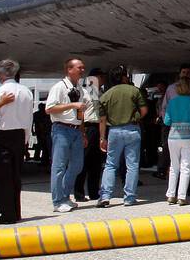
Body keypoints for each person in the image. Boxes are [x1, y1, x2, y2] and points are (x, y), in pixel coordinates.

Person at [0, 59, 35, 224]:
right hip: (19, 135)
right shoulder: (27, 92)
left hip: (2, 136)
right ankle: (16, 211)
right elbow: (29, 118)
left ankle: (7, 213)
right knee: (15, 176)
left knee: (2, 177)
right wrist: (26, 138)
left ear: (0, 74)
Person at [97, 66, 148, 207]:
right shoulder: (134, 90)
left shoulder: (106, 95)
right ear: (124, 77)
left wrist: (102, 138)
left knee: (111, 164)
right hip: (132, 129)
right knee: (132, 165)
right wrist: (136, 117)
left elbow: (102, 119)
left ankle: (105, 196)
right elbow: (144, 110)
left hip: (114, 130)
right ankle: (129, 197)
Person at [45, 58, 88, 213]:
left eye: (83, 68)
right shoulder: (59, 87)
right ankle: (57, 201)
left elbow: (80, 113)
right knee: (59, 166)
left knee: (77, 165)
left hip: (76, 129)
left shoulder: (80, 89)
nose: (82, 70)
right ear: (69, 69)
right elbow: (49, 108)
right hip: (61, 129)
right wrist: (72, 105)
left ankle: (65, 195)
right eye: (79, 68)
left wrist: (82, 133)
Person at [163, 73, 190, 205]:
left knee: (174, 166)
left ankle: (170, 194)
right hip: (188, 137)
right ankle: (182, 196)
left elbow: (167, 121)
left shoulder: (172, 102)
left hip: (173, 136)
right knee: (186, 166)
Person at [75, 69, 104, 201]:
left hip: (98, 127)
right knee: (84, 162)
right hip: (88, 126)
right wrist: (82, 133)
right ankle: (79, 193)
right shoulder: (84, 93)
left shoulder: (100, 93)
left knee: (96, 163)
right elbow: (80, 114)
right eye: (100, 77)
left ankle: (94, 192)